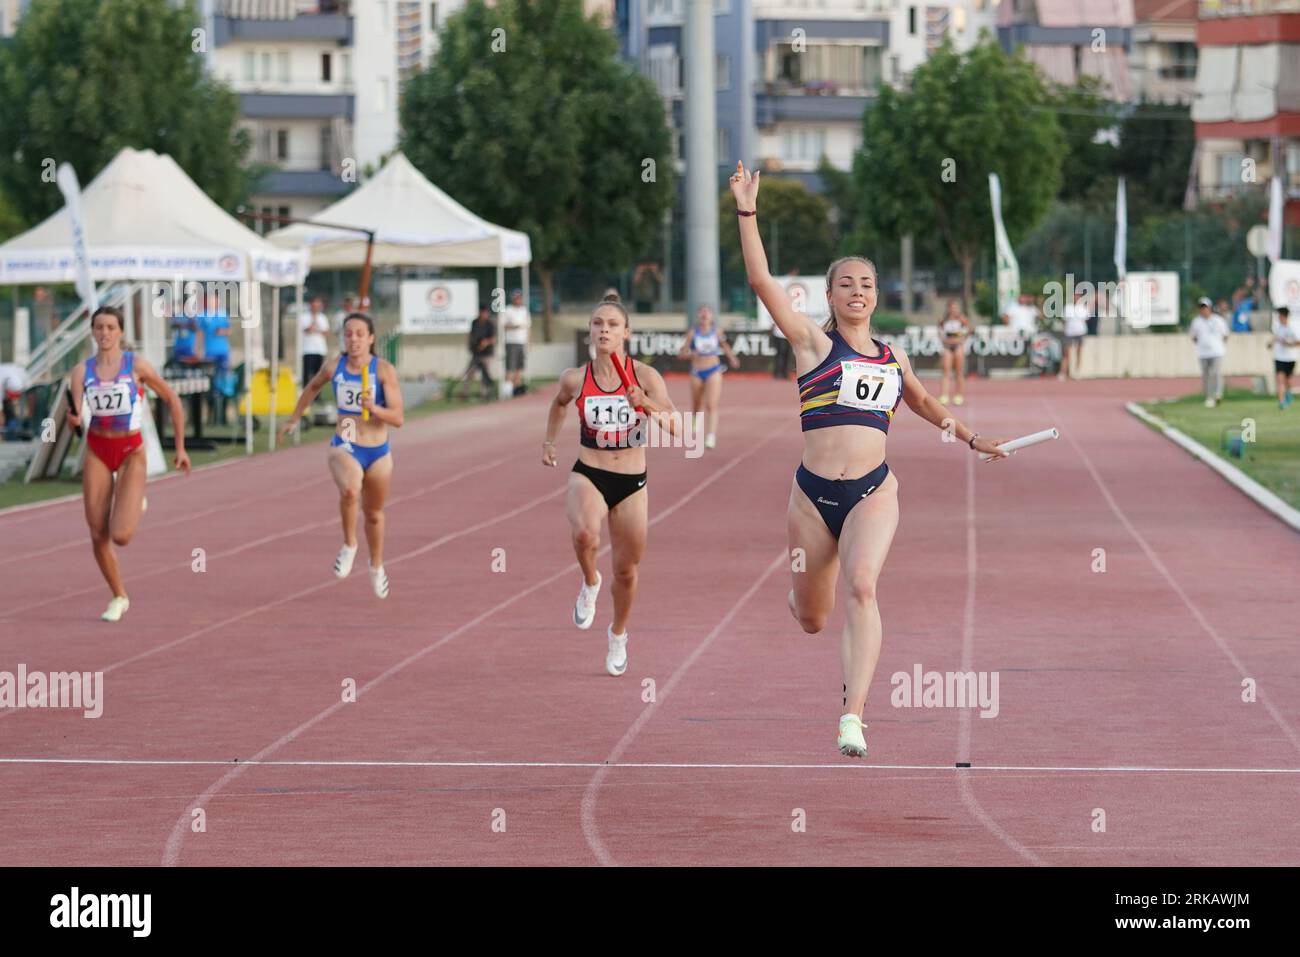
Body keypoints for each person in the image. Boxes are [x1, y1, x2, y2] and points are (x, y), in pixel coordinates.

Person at [729, 160, 1009, 758]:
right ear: (830, 295)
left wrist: (971, 436)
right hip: (812, 498)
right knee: (812, 618)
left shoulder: (892, 357)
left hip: (874, 491)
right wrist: (747, 212)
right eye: (847, 284)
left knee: (862, 586)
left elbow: (926, 402)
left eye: (867, 284)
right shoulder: (811, 343)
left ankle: (852, 715)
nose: (858, 292)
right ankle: (801, 593)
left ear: (877, 296)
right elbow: (760, 281)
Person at [542, 293, 680, 677]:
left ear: (626, 333)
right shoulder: (576, 377)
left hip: (632, 481)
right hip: (590, 471)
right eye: (598, 324)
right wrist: (550, 441)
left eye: (612, 325)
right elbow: (559, 403)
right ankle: (589, 580)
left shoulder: (646, 376)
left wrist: (646, 404)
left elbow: (676, 426)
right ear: (590, 331)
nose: (604, 330)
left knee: (627, 572)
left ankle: (618, 632)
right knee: (586, 534)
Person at [68, 305, 191, 621]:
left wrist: (179, 448)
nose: (105, 333)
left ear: (120, 332)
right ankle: (119, 595)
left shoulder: (136, 365)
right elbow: (76, 415)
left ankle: (135, 501)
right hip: (97, 449)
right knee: (97, 534)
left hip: (130, 452)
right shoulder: (82, 372)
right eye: (99, 327)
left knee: (121, 535)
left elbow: (173, 401)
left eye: (110, 327)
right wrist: (72, 420)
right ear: (93, 332)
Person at [280, 313, 404, 599]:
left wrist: (376, 409)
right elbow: (311, 388)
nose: (354, 339)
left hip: (378, 449)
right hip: (346, 442)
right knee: (350, 490)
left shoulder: (384, 370)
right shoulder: (335, 367)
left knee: (373, 514)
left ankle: (376, 565)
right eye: (349, 334)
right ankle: (349, 545)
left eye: (360, 334)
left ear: (371, 339)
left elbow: (398, 418)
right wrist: (294, 418)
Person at [676, 304, 739, 449]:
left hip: (713, 370)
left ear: (711, 316)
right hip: (697, 371)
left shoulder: (716, 331)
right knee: (697, 403)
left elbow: (724, 346)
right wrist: (691, 354)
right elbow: (681, 354)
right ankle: (695, 419)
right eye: (702, 312)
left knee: (711, 404)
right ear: (698, 315)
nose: (704, 315)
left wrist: (732, 358)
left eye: (707, 312)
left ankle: (711, 436)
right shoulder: (692, 333)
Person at [1190, 296, 1229, 408]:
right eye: (1201, 308)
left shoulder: (1218, 320)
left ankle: (1218, 395)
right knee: (1206, 376)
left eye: (1205, 307)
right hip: (1202, 353)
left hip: (1217, 352)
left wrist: (1218, 345)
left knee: (1215, 373)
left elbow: (1225, 335)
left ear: (1210, 308)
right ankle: (1208, 397)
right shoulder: (1196, 321)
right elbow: (1193, 336)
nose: (1204, 310)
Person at [455, 305, 497, 400]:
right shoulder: (475, 322)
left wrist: (486, 342)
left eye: (486, 313)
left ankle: (484, 394)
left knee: (485, 374)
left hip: (486, 354)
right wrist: (471, 345)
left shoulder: (490, 324)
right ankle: (464, 393)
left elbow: (493, 339)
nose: (484, 315)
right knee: (470, 373)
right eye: (482, 313)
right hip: (476, 353)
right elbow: (472, 335)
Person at [937, 298, 971, 404]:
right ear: (948, 309)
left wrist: (962, 339)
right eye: (951, 308)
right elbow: (940, 332)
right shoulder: (943, 320)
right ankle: (944, 395)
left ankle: (959, 395)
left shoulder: (962, 319)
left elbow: (968, 330)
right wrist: (944, 340)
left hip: (958, 346)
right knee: (946, 372)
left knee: (959, 371)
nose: (953, 310)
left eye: (955, 308)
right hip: (947, 347)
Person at [501, 289, 531, 396]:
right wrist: (515, 326)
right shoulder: (507, 310)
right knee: (510, 367)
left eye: (520, 298)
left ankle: (516, 390)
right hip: (511, 342)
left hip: (521, 342)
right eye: (516, 298)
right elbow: (503, 326)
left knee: (519, 367)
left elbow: (528, 327)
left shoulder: (524, 310)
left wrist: (529, 342)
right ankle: (507, 391)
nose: (518, 300)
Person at [1269, 306, 1298, 409]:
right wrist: (1270, 343)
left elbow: (1298, 342)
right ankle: (1281, 402)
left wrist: (1288, 344)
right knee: (1280, 379)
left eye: (1280, 316)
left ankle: (1288, 393)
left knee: (1287, 380)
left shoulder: (1293, 327)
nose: (1278, 318)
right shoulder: (1278, 327)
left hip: (1290, 358)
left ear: (1284, 316)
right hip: (1279, 357)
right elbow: (1276, 337)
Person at [1059, 287, 1089, 381]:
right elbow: (1064, 320)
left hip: (1080, 332)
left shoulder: (1083, 307)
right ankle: (1063, 373)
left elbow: (1086, 319)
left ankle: (1077, 372)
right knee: (1066, 354)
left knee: (1079, 353)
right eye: (1074, 296)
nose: (1076, 298)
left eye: (1077, 296)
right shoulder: (1067, 307)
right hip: (1069, 333)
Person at [301, 296, 331, 389]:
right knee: (307, 373)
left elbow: (326, 332)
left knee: (318, 374)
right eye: (314, 304)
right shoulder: (304, 317)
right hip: (308, 349)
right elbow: (307, 330)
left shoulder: (322, 317)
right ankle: (305, 391)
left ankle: (318, 395)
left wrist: (317, 329)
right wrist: (313, 321)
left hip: (320, 349)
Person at [0, 362, 34, 439]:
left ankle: (13, 425)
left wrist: (30, 415)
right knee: (7, 411)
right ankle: (10, 428)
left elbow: (31, 397)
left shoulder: (23, 375)